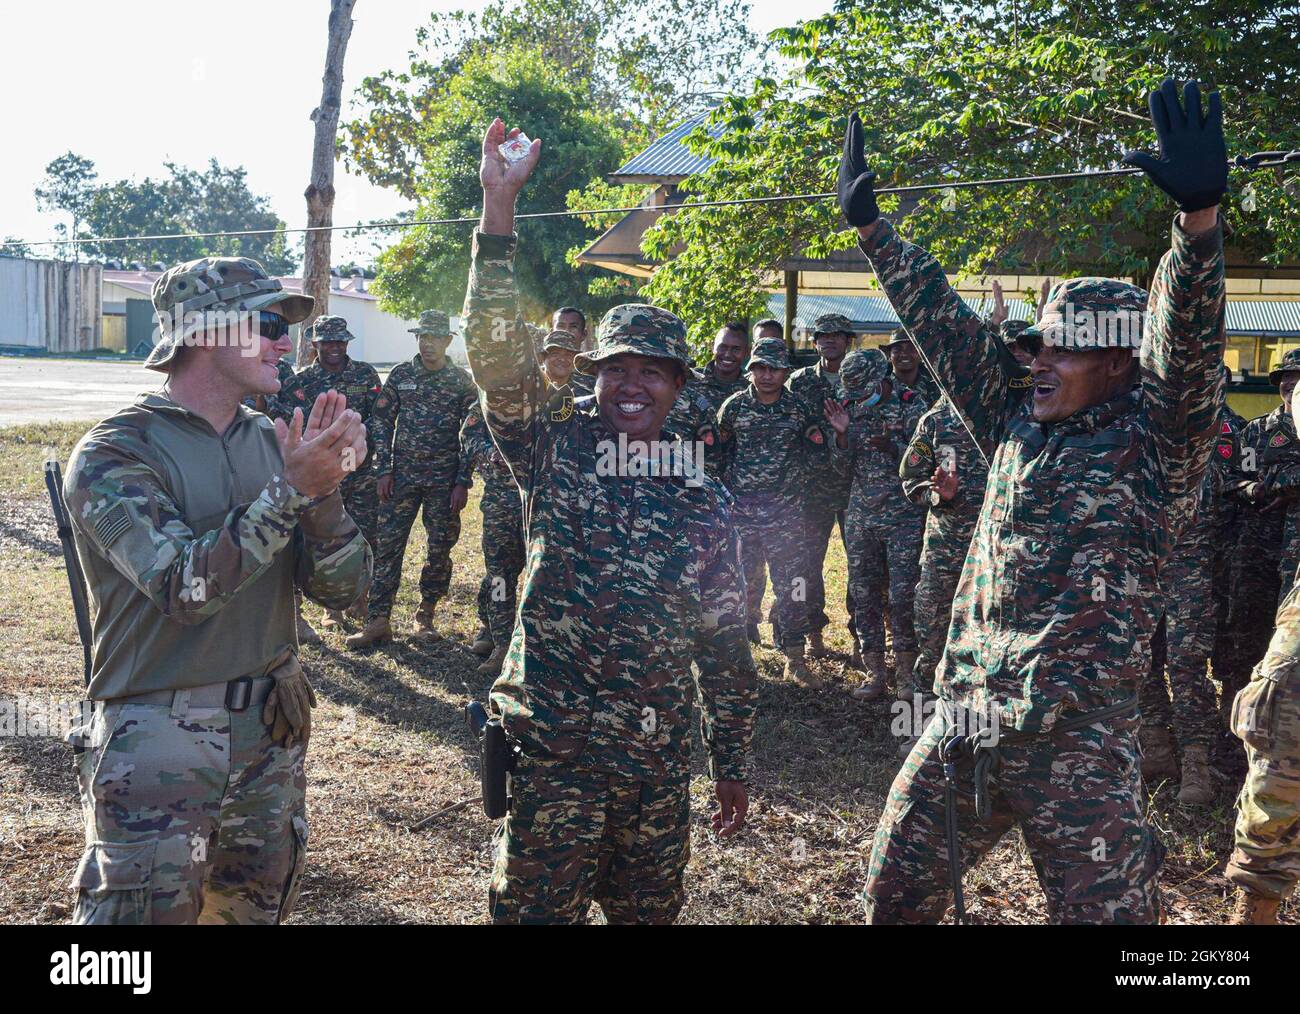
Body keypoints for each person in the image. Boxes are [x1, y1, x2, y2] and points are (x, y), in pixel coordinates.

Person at [843, 78, 1226, 923]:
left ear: (1122, 364)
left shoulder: (1156, 443)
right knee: (893, 898)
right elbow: (944, 326)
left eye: (1069, 349)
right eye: (1039, 342)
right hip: (967, 724)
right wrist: (874, 232)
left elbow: (1187, 353)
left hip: (1076, 747)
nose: (1042, 359)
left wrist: (1196, 229)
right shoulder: (1014, 418)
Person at [463, 118, 757, 924]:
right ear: (592, 379)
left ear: (679, 386)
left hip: (652, 769)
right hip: (553, 756)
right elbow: (494, 354)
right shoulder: (554, 444)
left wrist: (729, 759)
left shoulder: (703, 497)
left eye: (651, 372)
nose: (631, 385)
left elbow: (724, 642)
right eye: (615, 369)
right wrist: (498, 207)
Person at [63, 256, 372, 924]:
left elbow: (345, 593)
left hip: (270, 736)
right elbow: (185, 589)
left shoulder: (273, 440)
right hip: (160, 742)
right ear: (205, 332)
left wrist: (324, 497)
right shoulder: (116, 452)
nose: (284, 343)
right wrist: (293, 489)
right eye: (267, 324)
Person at [347, 309, 477, 648]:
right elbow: (381, 422)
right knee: (388, 547)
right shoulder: (402, 375)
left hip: (443, 482)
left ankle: (426, 614)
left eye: (434, 337)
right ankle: (378, 619)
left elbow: (472, 432)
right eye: (422, 337)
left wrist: (463, 480)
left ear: (447, 341)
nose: (428, 344)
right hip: (401, 478)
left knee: (439, 548)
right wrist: (384, 469)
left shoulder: (462, 382)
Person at [717, 337, 830, 687]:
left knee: (793, 586)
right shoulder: (733, 408)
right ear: (751, 371)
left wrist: (794, 490)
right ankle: (738, 656)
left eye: (774, 369)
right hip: (743, 515)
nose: (767, 375)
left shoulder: (799, 411)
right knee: (740, 583)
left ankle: (794, 658)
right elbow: (719, 456)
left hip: (786, 516)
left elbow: (818, 457)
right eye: (760, 368)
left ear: (785, 372)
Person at [831, 349, 928, 700]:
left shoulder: (912, 405)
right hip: (862, 515)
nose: (859, 399)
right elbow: (841, 470)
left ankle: (905, 675)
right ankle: (875, 675)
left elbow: (922, 464)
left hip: (903, 514)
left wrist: (894, 447)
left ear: (882, 378)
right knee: (864, 594)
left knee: (903, 596)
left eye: (864, 390)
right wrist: (842, 436)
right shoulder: (847, 407)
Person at [278, 314, 383, 630]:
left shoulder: (365, 375)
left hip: (359, 471)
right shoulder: (302, 381)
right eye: (327, 342)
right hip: (321, 475)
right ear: (315, 344)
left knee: (364, 531)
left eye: (340, 341)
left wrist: (362, 455)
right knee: (321, 535)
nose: (334, 347)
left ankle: (359, 597)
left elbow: (379, 418)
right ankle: (331, 609)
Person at [789, 313, 858, 661]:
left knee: (860, 566)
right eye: (822, 335)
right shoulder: (800, 382)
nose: (828, 340)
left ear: (848, 340)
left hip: (854, 486)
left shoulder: (862, 380)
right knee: (807, 564)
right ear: (814, 341)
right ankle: (811, 631)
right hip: (812, 488)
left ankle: (860, 635)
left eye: (836, 335)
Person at [455, 405, 525, 676]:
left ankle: (536, 649)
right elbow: (469, 433)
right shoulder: (497, 391)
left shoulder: (558, 394)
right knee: (499, 576)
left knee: (548, 576)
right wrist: (492, 454)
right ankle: (502, 645)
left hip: (546, 500)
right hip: (502, 501)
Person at [539, 327, 594, 398]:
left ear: (575, 360)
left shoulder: (589, 386)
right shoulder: (529, 383)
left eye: (568, 355)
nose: (562, 359)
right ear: (543, 357)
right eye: (555, 353)